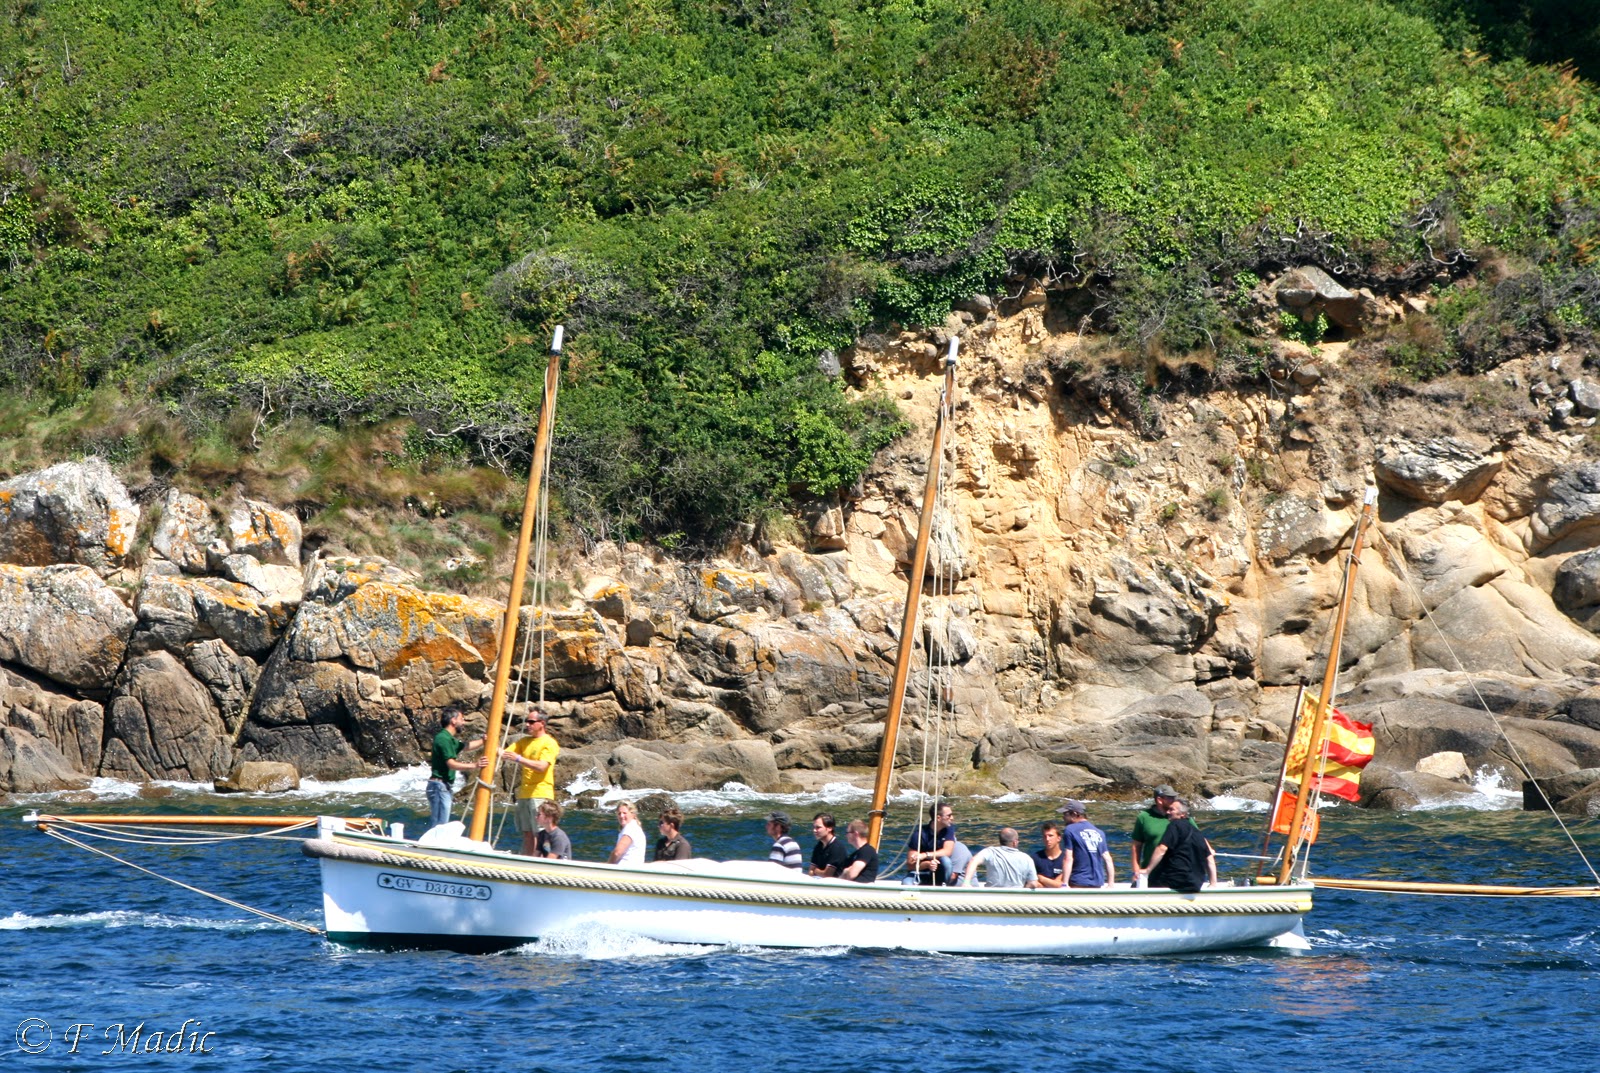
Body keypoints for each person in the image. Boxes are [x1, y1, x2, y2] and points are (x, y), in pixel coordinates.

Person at [501, 709, 560, 855]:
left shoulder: (549, 743)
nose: (527, 724)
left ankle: (542, 860)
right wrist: (488, 742)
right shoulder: (524, 741)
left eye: (531, 722)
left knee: (541, 833)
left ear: (542, 723)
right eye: (527, 721)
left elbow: (542, 766)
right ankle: (527, 859)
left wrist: (519, 759)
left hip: (540, 793)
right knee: (527, 832)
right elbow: (504, 754)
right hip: (524, 794)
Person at [426, 709, 486, 831]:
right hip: (439, 786)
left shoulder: (449, 738)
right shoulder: (443, 739)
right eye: (461, 719)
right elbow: (451, 764)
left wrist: (483, 741)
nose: (463, 722)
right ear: (453, 721)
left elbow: (466, 746)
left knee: (440, 824)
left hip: (443, 786)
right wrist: (475, 765)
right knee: (439, 825)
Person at [1138, 799, 1218, 893]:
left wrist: (1148, 870)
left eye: (1171, 810)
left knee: (1140, 882)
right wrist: (1213, 884)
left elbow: (1162, 849)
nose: (1167, 812)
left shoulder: (1174, 825)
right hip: (1195, 883)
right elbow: (1209, 858)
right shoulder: (1197, 832)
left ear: (1182, 814)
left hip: (1176, 880)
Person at [1059, 800, 1115, 889]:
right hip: (1097, 883)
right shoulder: (1099, 832)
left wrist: (1064, 884)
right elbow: (1108, 859)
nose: (1063, 817)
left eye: (1065, 814)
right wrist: (1110, 884)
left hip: (1078, 881)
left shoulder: (1070, 830)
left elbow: (1068, 858)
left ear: (1074, 814)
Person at [962, 827, 1039, 888]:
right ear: (1015, 842)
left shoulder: (990, 852)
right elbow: (1033, 883)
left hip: (991, 896)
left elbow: (973, 861)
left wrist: (966, 882)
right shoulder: (1026, 858)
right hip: (1016, 898)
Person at [905, 800, 957, 886]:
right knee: (906, 883)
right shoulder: (919, 834)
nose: (952, 818)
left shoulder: (949, 829)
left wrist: (925, 855)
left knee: (946, 861)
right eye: (949, 815)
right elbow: (910, 865)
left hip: (939, 873)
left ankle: (944, 886)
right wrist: (927, 865)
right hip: (921, 872)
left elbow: (947, 851)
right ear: (938, 818)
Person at [1129, 784, 1177, 877]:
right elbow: (1136, 846)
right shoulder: (1144, 817)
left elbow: (1197, 837)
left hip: (1175, 872)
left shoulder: (1180, 815)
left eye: (1174, 797)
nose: (1173, 800)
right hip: (1150, 873)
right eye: (1170, 798)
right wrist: (1136, 870)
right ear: (1159, 800)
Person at [809, 812, 849, 877]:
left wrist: (815, 870)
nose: (814, 830)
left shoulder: (836, 848)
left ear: (830, 828)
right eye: (814, 827)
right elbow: (810, 871)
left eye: (818, 827)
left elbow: (827, 875)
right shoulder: (819, 846)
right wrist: (815, 871)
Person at [608, 800, 646, 866]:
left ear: (633, 814)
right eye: (619, 813)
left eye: (624, 813)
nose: (621, 816)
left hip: (626, 867)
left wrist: (607, 866)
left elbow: (617, 853)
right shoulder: (633, 827)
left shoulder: (631, 828)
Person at [1033, 822, 1068, 888]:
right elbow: (1034, 883)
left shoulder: (1067, 860)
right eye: (1045, 836)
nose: (1047, 839)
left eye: (1050, 836)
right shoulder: (1036, 858)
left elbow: (1063, 886)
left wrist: (1041, 879)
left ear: (1059, 838)